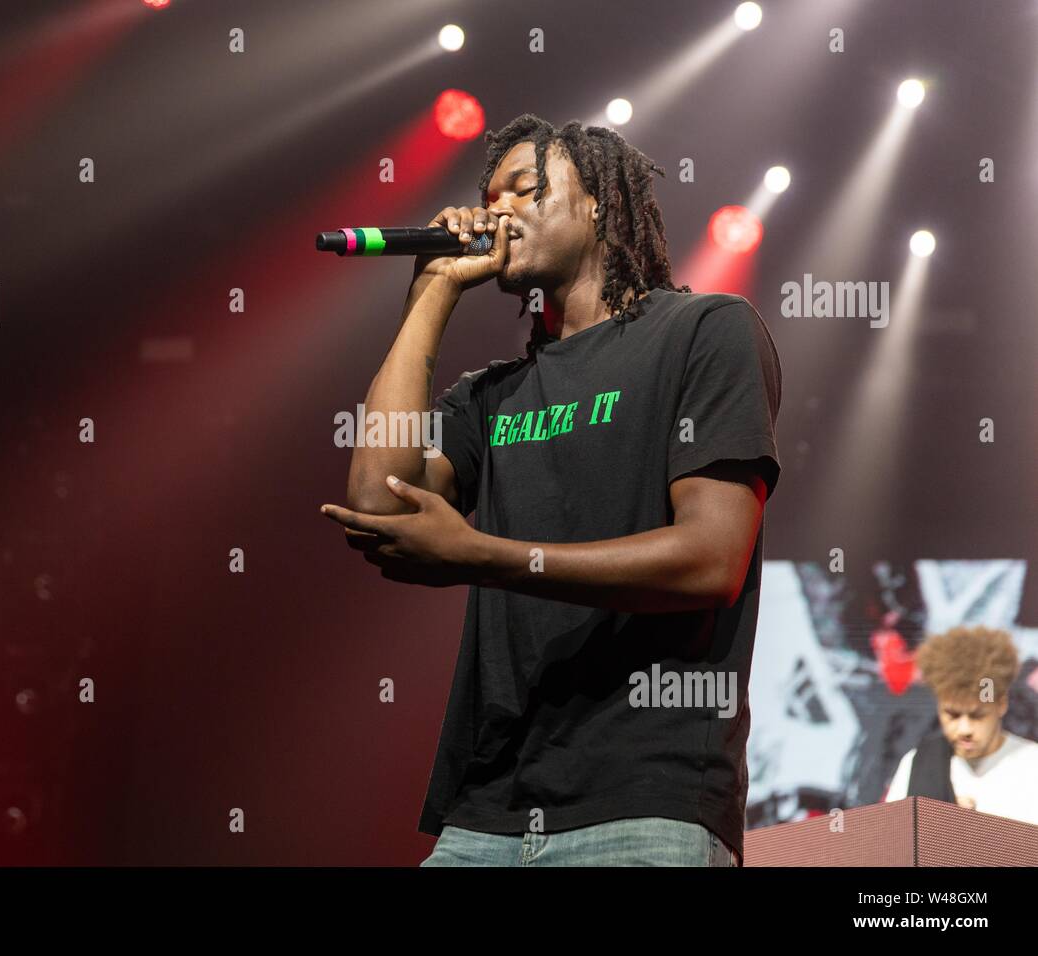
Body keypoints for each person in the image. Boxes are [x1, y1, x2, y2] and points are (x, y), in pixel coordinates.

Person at [320, 113, 783, 866]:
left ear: (599, 201)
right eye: (487, 196)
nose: (496, 210)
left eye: (524, 189)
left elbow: (711, 559)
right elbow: (379, 504)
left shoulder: (706, 332)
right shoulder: (493, 395)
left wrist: (479, 554)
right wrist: (432, 291)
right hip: (485, 813)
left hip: (643, 804)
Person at [884, 625, 1038, 825]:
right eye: (953, 716)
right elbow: (893, 847)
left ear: (1001, 704)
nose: (964, 729)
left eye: (977, 716)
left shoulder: (1032, 765)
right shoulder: (917, 763)